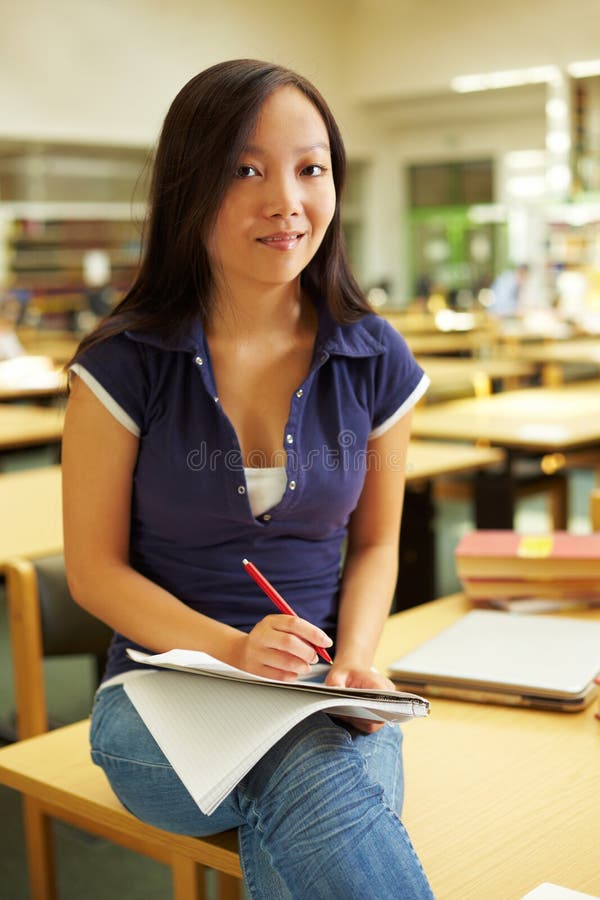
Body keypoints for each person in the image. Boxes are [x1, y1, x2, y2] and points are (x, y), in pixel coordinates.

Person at [62, 59, 433, 899]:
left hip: (321, 691)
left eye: (311, 169)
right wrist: (233, 651)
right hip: (159, 695)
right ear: (191, 186)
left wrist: (358, 661)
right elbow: (93, 572)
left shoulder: (375, 355)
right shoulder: (123, 365)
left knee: (314, 780)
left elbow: (377, 545)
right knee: (318, 769)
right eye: (246, 169)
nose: (286, 201)